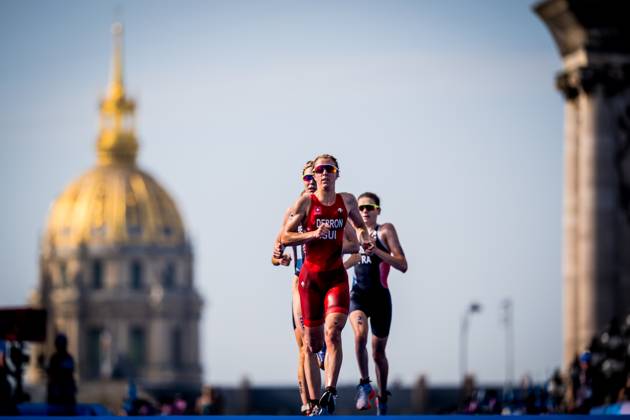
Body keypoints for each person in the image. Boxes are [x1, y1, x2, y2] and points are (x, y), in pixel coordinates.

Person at [281, 154, 373, 415]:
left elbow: (359, 229)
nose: (323, 174)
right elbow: (285, 236)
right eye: (319, 170)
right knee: (311, 344)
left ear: (336, 174)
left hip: (335, 277)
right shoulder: (305, 204)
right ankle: (310, 401)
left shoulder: (348, 201)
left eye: (329, 169)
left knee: (333, 332)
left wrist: (365, 239)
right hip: (310, 280)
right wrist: (312, 234)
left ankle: (329, 392)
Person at [344, 192, 407, 415]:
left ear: (378, 210)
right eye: (360, 208)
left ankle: (382, 397)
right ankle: (364, 384)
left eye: (370, 207)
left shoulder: (385, 230)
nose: (364, 211)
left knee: (378, 353)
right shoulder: (350, 232)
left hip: (380, 298)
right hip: (357, 296)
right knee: (359, 334)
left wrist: (376, 250)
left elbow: (402, 264)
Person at [46, 334, 77, 416]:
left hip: (66, 394)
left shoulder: (68, 358)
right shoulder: (54, 358)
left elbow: (69, 373)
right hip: (56, 394)